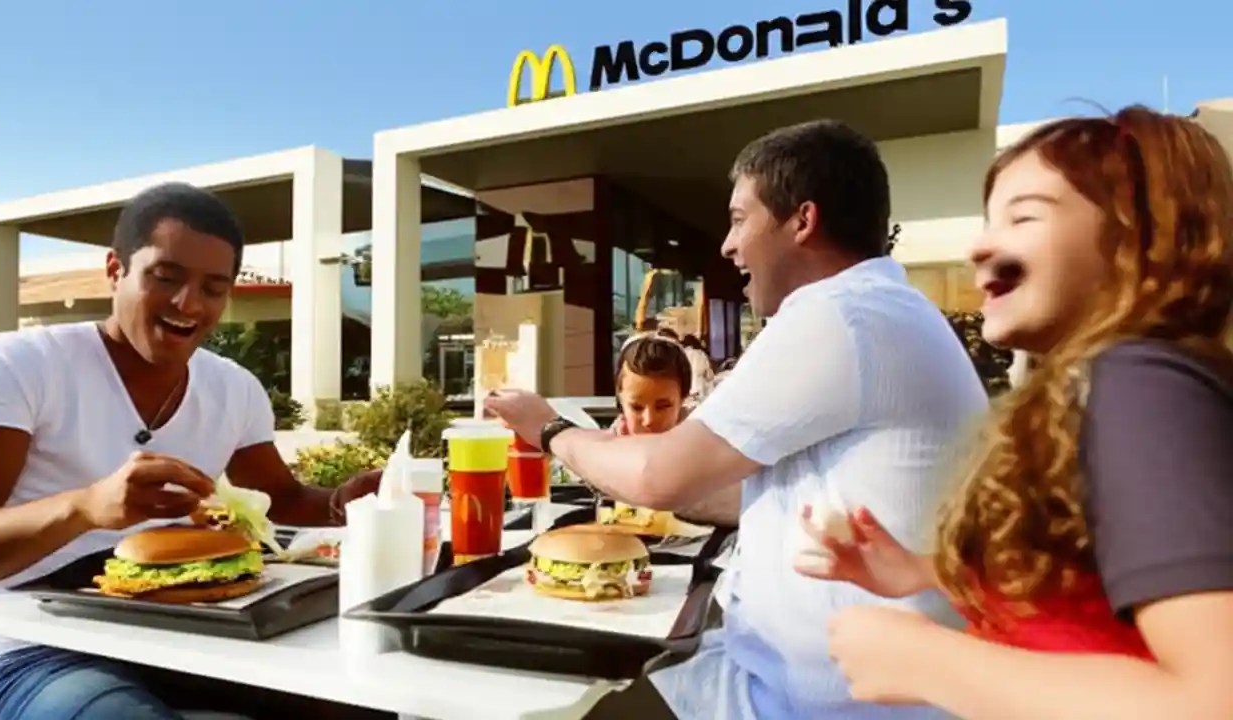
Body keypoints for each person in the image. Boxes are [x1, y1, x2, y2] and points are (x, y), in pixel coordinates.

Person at [485, 120, 988, 718]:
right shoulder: (880, 311)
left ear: (802, 221)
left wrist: (548, 429)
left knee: (537, 695)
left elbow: (658, 474)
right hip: (800, 677)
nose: (727, 244)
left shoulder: (839, 314)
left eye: (740, 219)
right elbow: (732, 487)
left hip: (814, 703)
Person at [799, 106, 1233, 718]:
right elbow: (1082, 582)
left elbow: (1215, 700)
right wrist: (917, 571)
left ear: (1139, 234)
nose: (979, 246)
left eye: (1023, 216)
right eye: (988, 220)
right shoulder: (1099, 388)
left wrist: (931, 662)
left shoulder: (1138, 383)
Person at [0, 183, 382, 719]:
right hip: (10, 646)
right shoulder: (18, 366)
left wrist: (347, 500)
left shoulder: (233, 388)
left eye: (214, 288)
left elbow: (282, 498)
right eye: (166, 278)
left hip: (181, 634)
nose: (189, 304)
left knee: (364, 704)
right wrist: (84, 508)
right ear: (115, 270)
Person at [609, 333, 692, 437]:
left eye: (662, 407)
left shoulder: (706, 448)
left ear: (682, 399)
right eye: (636, 407)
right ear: (620, 401)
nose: (649, 420)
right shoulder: (604, 450)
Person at [678, 334, 714, 405]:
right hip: (699, 392)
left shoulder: (681, 355)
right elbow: (709, 376)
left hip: (686, 395)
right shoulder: (701, 354)